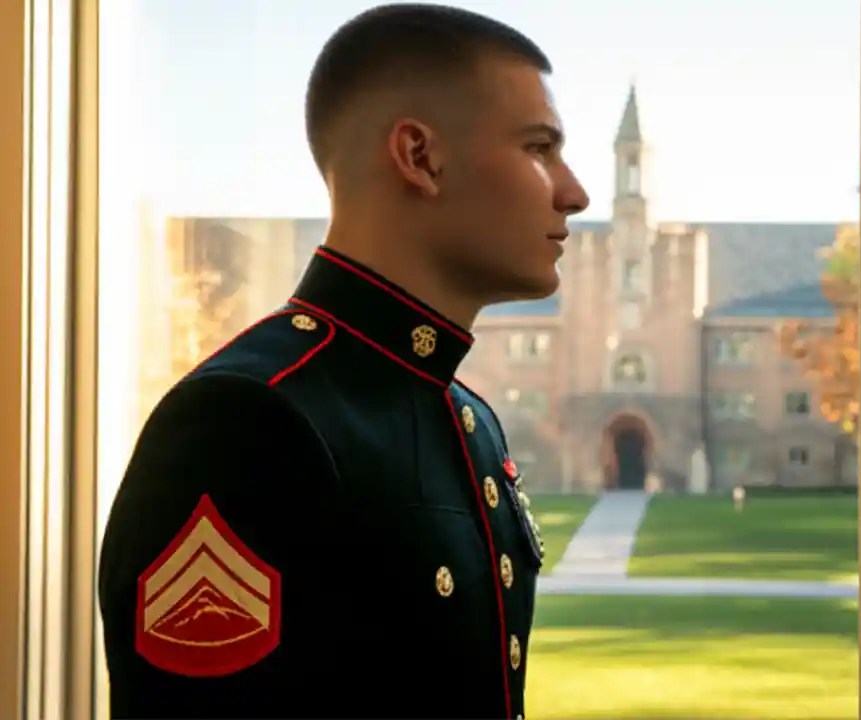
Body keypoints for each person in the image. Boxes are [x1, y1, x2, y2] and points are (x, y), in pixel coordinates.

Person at [96, 3, 590, 718]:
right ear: (420, 156)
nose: (573, 192)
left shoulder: (466, 416)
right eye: (539, 148)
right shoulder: (246, 422)